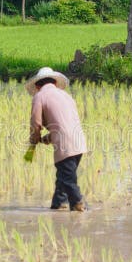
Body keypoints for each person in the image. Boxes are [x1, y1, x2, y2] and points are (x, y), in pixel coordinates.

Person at [24, 67, 87, 211]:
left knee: (68, 179)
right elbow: (63, 124)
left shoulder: (39, 97)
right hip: (79, 142)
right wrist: (45, 139)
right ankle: (59, 204)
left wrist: (33, 140)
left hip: (65, 144)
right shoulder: (65, 96)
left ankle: (78, 204)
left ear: (38, 85)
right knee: (63, 176)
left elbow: (36, 122)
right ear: (54, 82)